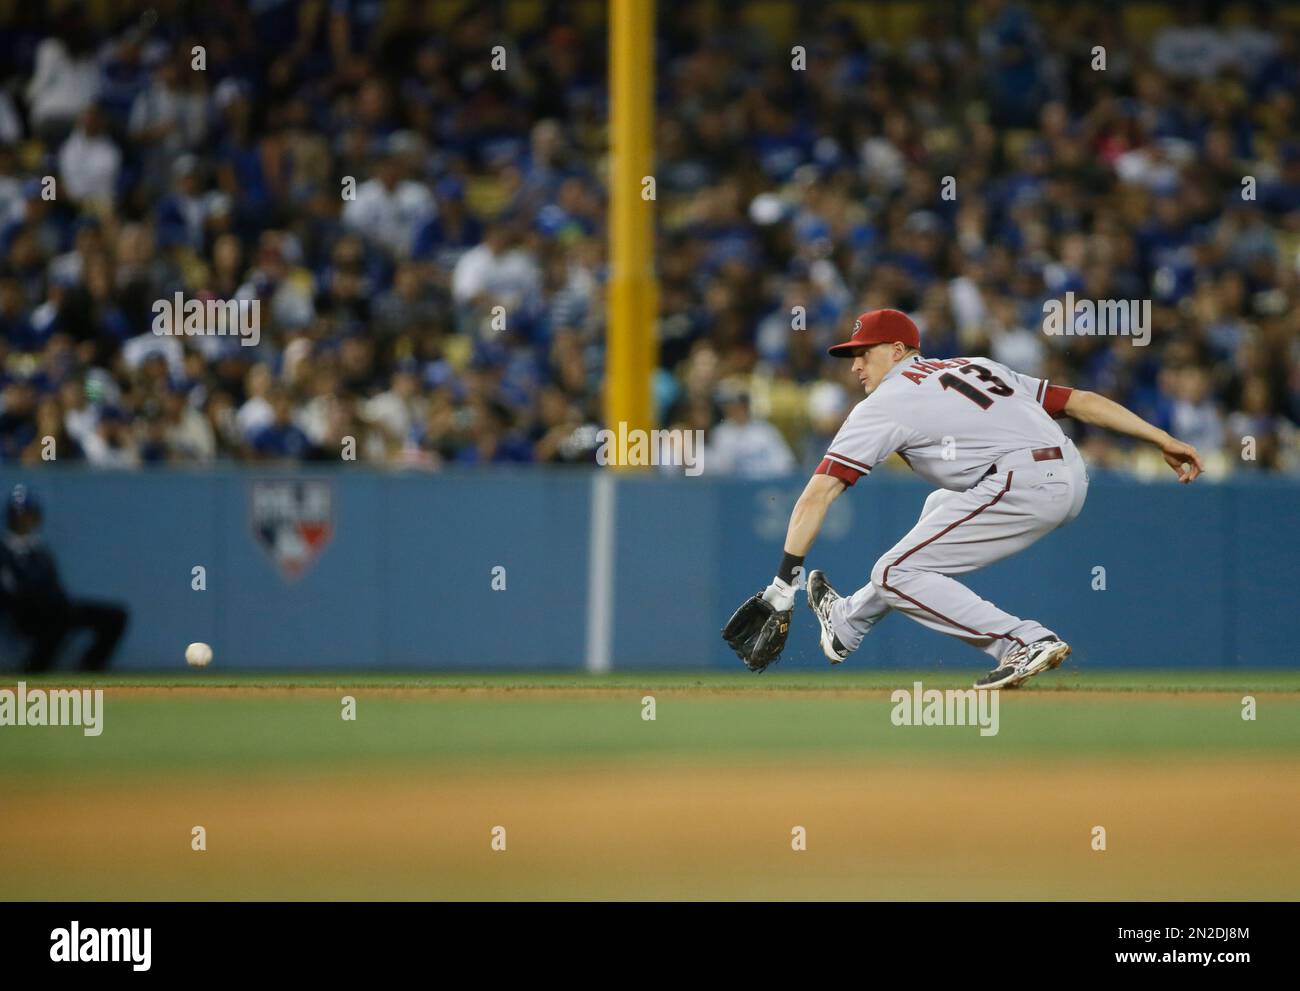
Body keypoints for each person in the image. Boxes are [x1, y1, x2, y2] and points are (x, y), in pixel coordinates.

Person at [725, 309, 1203, 689]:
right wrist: (1158, 436)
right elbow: (1077, 400)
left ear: (897, 350)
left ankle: (1022, 640)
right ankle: (848, 621)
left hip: (1024, 480)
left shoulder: (886, 402)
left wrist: (784, 583)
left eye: (863, 353)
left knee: (894, 573)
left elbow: (817, 494)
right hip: (1066, 472)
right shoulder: (974, 366)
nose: (854, 366)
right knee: (936, 508)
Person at [0, 484, 128, 671]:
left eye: (29, 515)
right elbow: (11, 592)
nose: (25, 521)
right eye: (20, 516)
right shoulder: (4, 551)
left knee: (116, 617)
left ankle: (90, 668)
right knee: (56, 621)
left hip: (57, 608)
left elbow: (55, 587)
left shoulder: (40, 550)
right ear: (11, 517)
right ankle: (35, 670)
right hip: (26, 614)